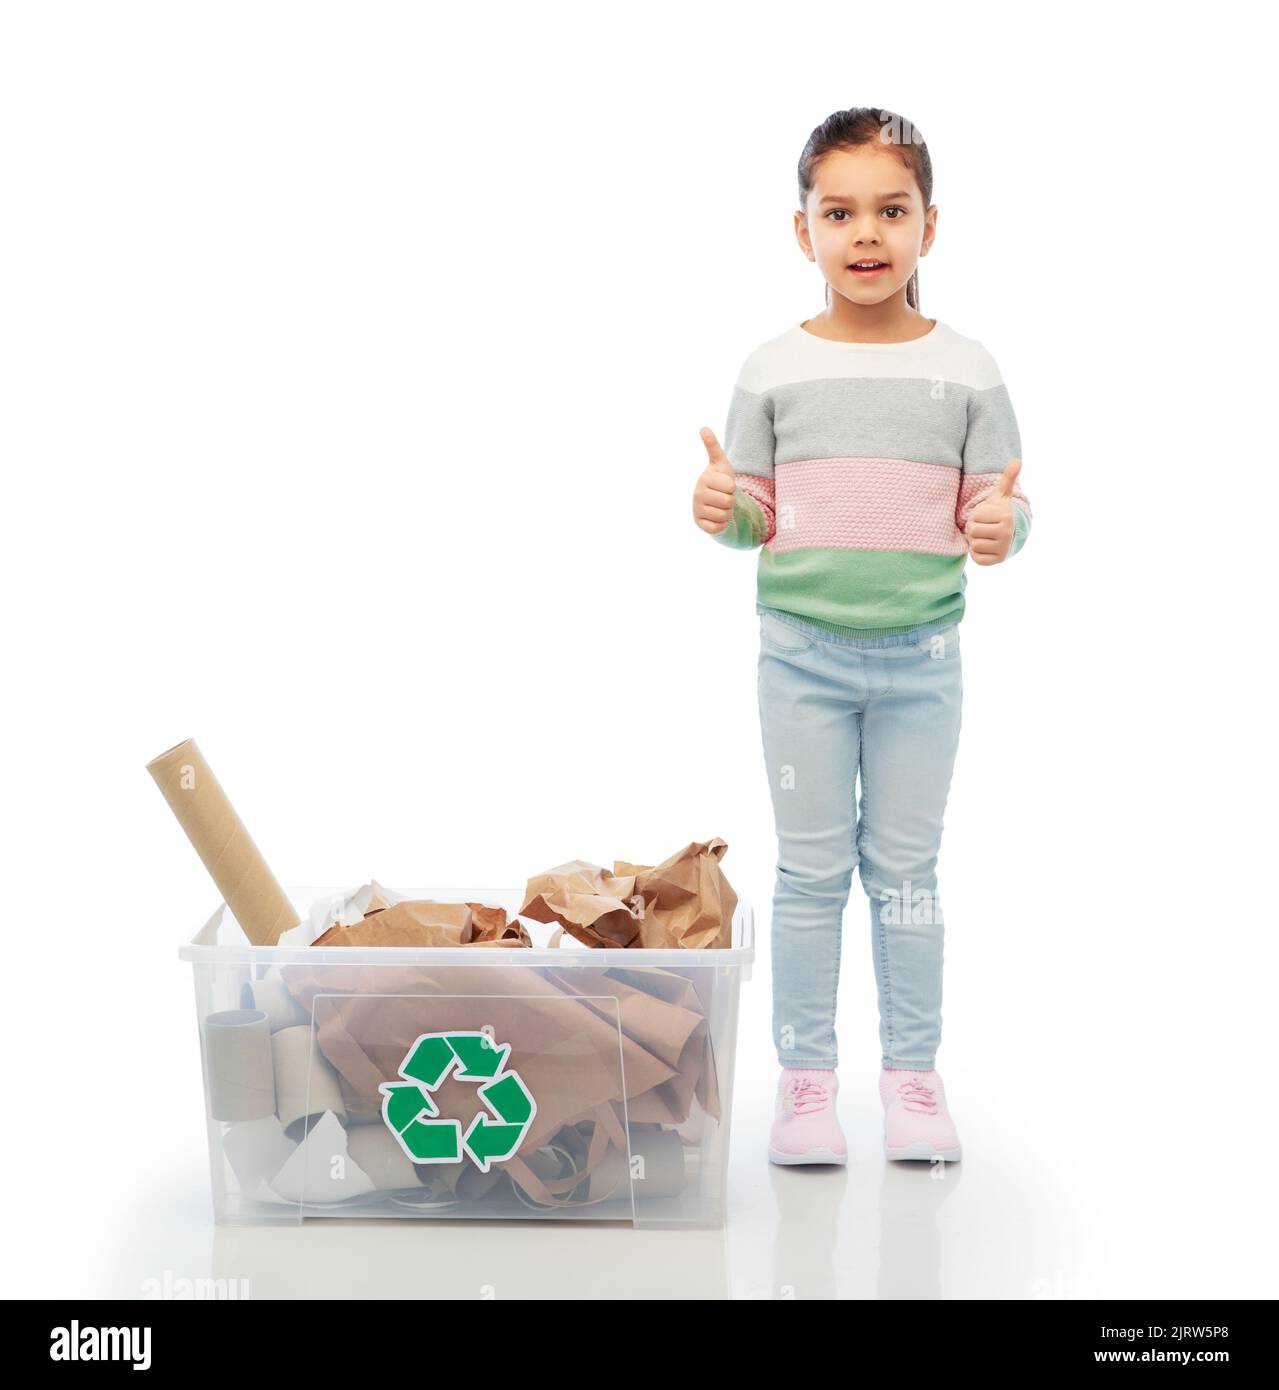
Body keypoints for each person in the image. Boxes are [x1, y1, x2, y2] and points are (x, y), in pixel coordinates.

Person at [692, 106, 1032, 1167]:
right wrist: (718, 507)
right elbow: (754, 517)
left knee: (908, 872)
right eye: (839, 212)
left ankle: (912, 1081)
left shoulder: (968, 370)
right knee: (808, 872)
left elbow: (1007, 507)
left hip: (922, 666)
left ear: (930, 225)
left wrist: (1000, 527)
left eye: (892, 209)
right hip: (798, 659)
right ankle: (805, 1086)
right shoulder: (771, 369)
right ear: (804, 233)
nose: (866, 233)